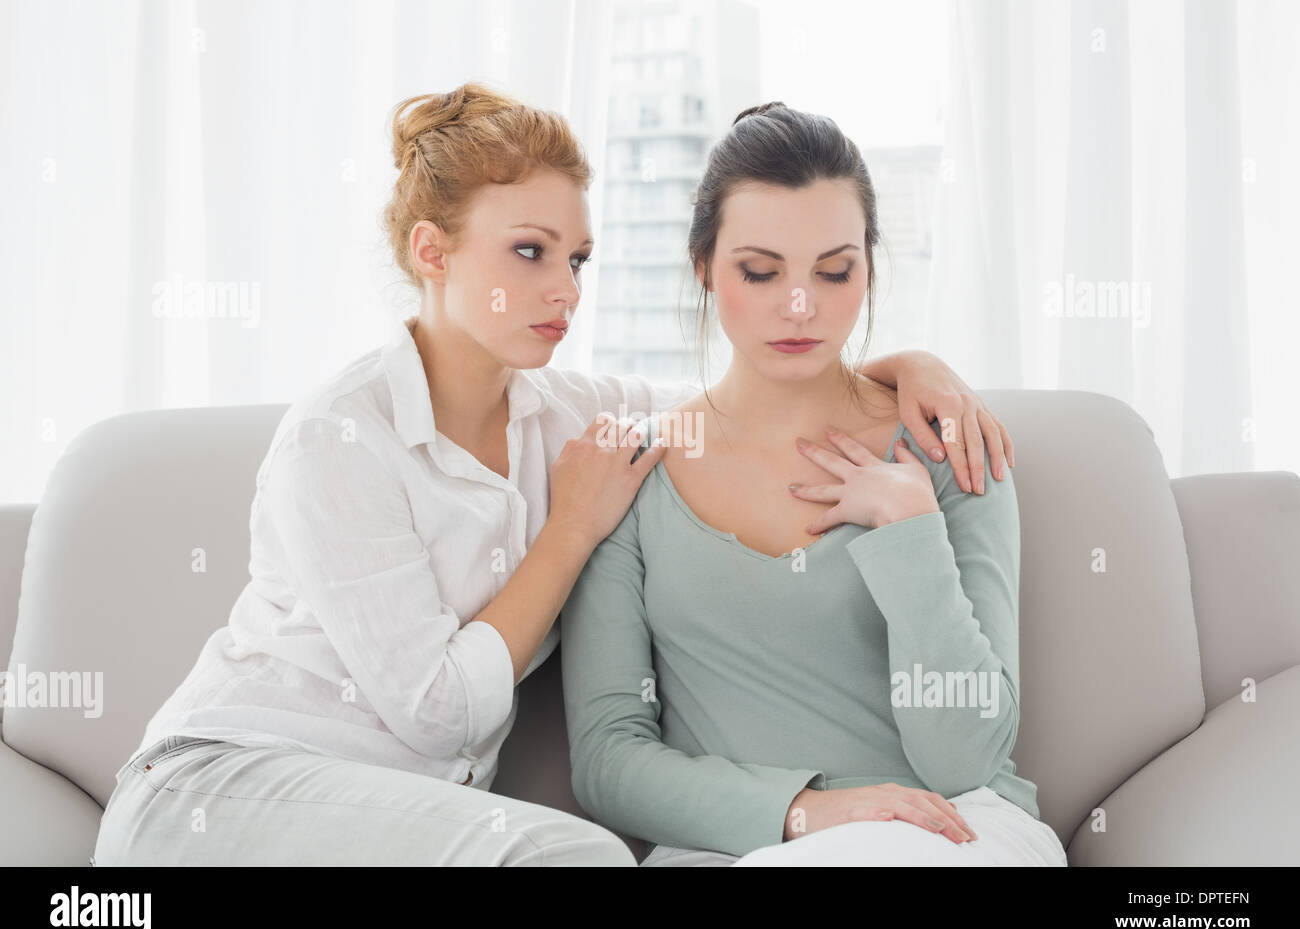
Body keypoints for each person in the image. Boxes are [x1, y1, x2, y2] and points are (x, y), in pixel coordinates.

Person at [92, 84, 1015, 866]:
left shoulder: (581, 414)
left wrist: (909, 367)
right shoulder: (338, 439)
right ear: (431, 251)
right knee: (574, 859)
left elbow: (760, 385)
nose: (566, 290)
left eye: (578, 260)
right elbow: (437, 716)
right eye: (529, 253)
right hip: (220, 788)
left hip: (405, 826)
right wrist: (571, 528)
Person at [560, 101, 1066, 867]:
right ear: (703, 266)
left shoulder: (946, 448)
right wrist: (803, 812)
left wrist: (910, 535)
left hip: (953, 831)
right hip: (737, 847)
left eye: (834, 272)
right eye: (760, 272)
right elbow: (608, 760)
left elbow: (966, 756)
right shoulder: (637, 472)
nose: (800, 306)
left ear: (869, 265)